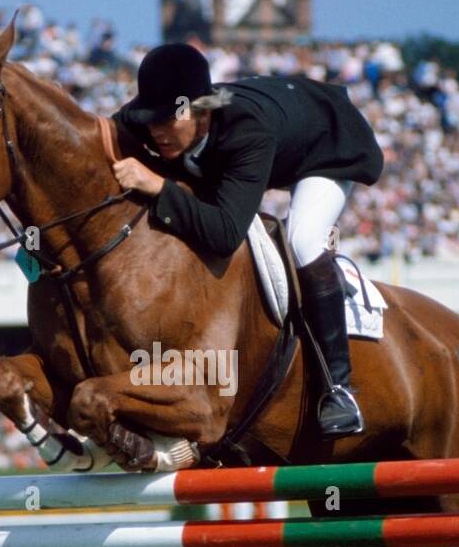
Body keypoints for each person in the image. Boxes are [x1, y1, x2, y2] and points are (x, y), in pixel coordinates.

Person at [112, 43, 383, 436]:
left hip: (328, 144)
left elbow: (225, 233)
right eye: (149, 119)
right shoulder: (153, 119)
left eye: (167, 120)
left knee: (303, 241)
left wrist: (158, 186)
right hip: (286, 121)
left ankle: (338, 388)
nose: (156, 131)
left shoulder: (246, 132)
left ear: (201, 110)